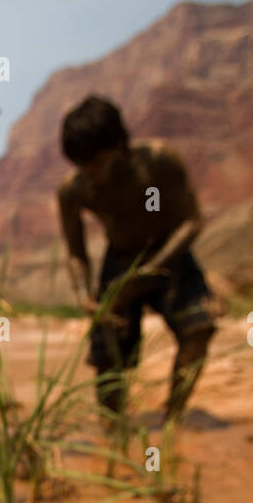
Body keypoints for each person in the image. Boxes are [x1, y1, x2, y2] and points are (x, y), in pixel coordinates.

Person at [57, 95, 216, 424]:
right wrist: (84, 295)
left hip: (169, 253)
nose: (93, 174)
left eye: (98, 163)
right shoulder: (73, 189)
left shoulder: (157, 162)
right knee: (107, 356)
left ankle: (172, 422)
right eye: (83, 167)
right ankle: (113, 437)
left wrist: (150, 271)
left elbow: (191, 222)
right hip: (118, 263)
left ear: (119, 145)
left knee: (198, 328)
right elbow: (76, 252)